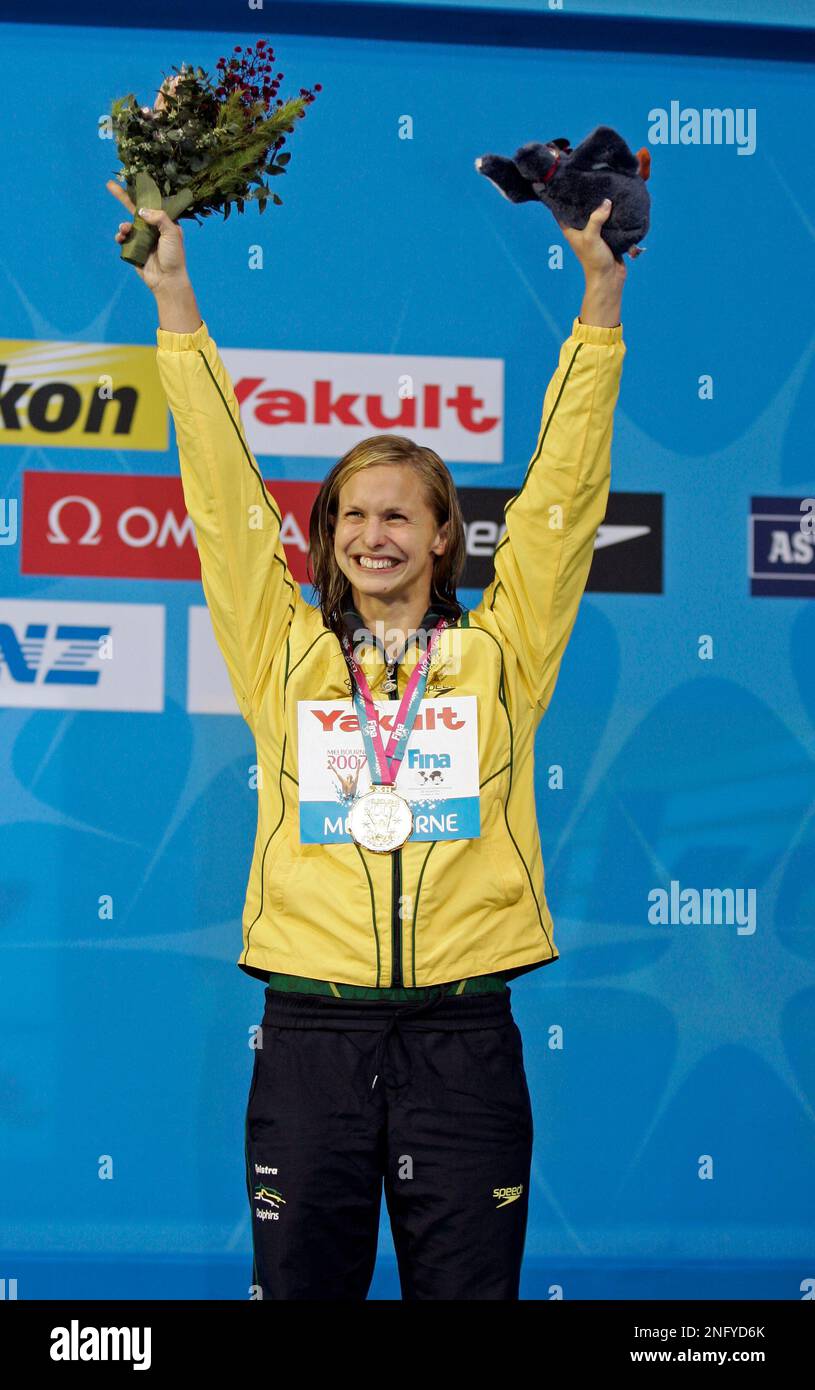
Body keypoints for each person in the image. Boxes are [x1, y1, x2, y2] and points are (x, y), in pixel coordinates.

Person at [109, 179, 629, 1300]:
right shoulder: (283, 653)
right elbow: (219, 497)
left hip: (462, 1041)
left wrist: (597, 301)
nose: (371, 534)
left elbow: (560, 508)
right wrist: (174, 301)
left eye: (397, 512)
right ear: (327, 538)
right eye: (350, 514)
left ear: (442, 535)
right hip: (310, 1039)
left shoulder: (500, 655)